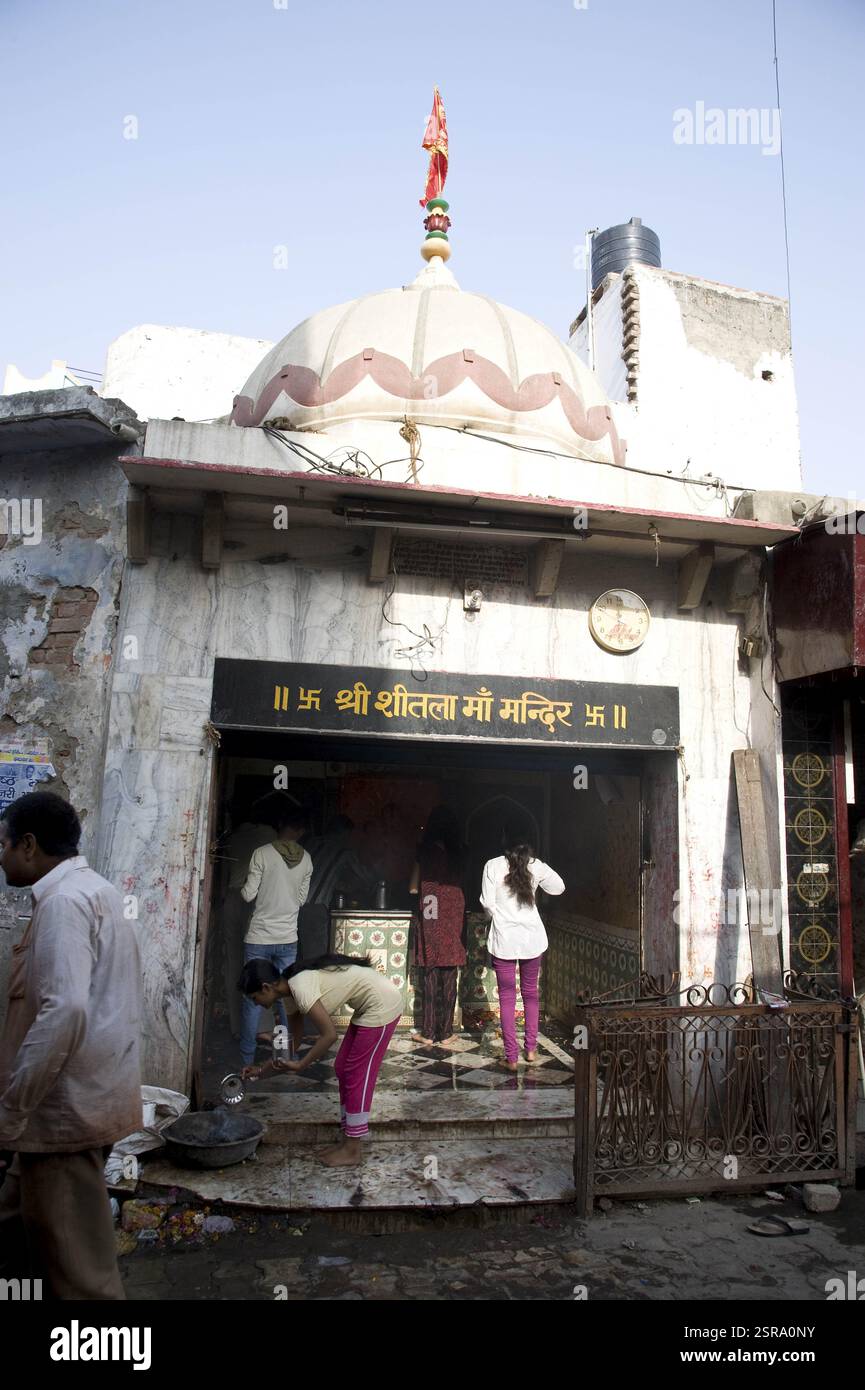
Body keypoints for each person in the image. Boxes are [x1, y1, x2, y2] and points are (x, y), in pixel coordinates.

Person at [0, 791, 142, 1300]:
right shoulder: (94, 890)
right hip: (67, 1106)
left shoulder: (63, 902)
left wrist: (12, 1110)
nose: (2, 856)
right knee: (19, 1224)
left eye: (4, 844)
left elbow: (65, 1010)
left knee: (80, 1271)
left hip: (61, 1112)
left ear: (29, 846)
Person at [238, 953, 401, 1167]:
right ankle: (347, 1141)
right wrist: (260, 1071)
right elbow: (292, 1046)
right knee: (342, 1068)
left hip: (383, 1004)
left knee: (355, 1073)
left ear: (266, 987)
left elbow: (329, 1035)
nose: (256, 1004)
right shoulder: (288, 995)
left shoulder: (300, 988)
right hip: (369, 1006)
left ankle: (353, 1150)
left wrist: (301, 1065)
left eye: (254, 998)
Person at [480, 827, 565, 1071]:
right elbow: (559, 887)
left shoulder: (492, 865)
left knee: (507, 997)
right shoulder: (536, 866)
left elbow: (487, 902)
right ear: (530, 845)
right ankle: (530, 1049)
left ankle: (511, 1057)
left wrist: (499, 918)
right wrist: (538, 871)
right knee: (530, 994)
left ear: (504, 842)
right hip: (532, 938)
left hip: (504, 939)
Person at [239, 798, 312, 1070]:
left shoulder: (261, 853)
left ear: (279, 825)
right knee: (286, 1001)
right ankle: (287, 1058)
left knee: (252, 1001)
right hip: (288, 938)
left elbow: (248, 894)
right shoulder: (306, 859)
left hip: (259, 937)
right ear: (301, 831)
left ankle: (245, 1061)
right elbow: (302, 899)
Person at [222, 795, 279, 1037]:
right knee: (259, 962)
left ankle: (239, 1028)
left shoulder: (233, 837)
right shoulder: (269, 835)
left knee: (233, 962)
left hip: (232, 899)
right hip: (256, 900)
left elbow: (224, 877)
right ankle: (262, 1028)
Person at [408, 806, 466, 1045]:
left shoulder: (424, 851)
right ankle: (447, 1032)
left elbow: (412, 888)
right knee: (450, 971)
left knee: (431, 972)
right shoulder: (462, 852)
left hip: (431, 913)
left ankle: (428, 1032)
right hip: (453, 914)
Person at [299, 815, 378, 961]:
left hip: (292, 905)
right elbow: (364, 876)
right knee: (315, 958)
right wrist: (379, 876)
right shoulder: (344, 851)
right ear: (344, 833)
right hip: (314, 909)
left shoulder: (311, 843)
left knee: (296, 954)